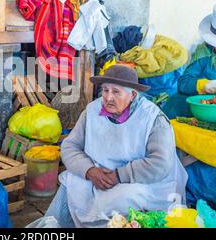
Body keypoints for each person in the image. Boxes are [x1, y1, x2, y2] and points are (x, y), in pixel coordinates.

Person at [44, 65, 187, 227]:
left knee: (125, 196)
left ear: (132, 94)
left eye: (116, 92)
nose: (108, 97)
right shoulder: (92, 110)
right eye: (105, 90)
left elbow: (160, 164)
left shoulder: (153, 118)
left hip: (141, 182)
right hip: (97, 175)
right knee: (70, 181)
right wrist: (89, 171)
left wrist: (118, 176)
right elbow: (70, 146)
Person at [163, 1, 216, 215]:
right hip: (198, 117)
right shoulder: (203, 54)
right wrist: (201, 85)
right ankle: (188, 193)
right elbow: (183, 83)